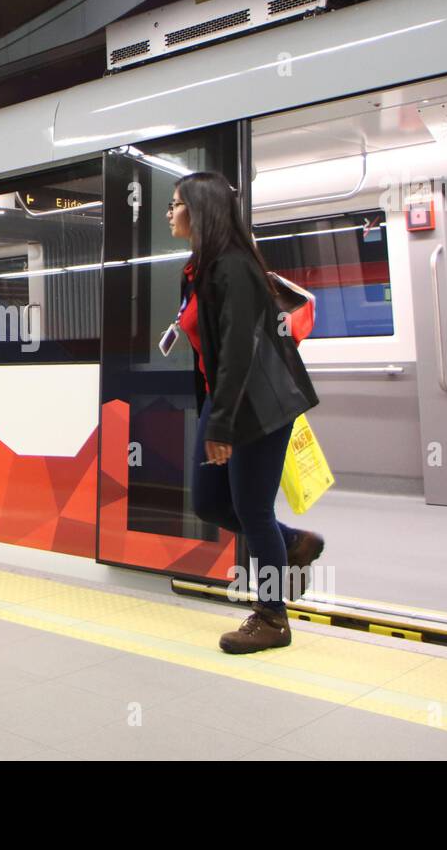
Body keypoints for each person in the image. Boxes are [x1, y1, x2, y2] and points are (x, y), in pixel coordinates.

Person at [167, 171, 324, 653]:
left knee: (252, 509)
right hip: (228, 396)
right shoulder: (199, 267)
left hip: (259, 403)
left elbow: (237, 349)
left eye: (176, 204)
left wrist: (223, 422)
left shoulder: (233, 267)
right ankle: (293, 541)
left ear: (199, 210)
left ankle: (272, 617)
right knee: (211, 504)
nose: (170, 213)